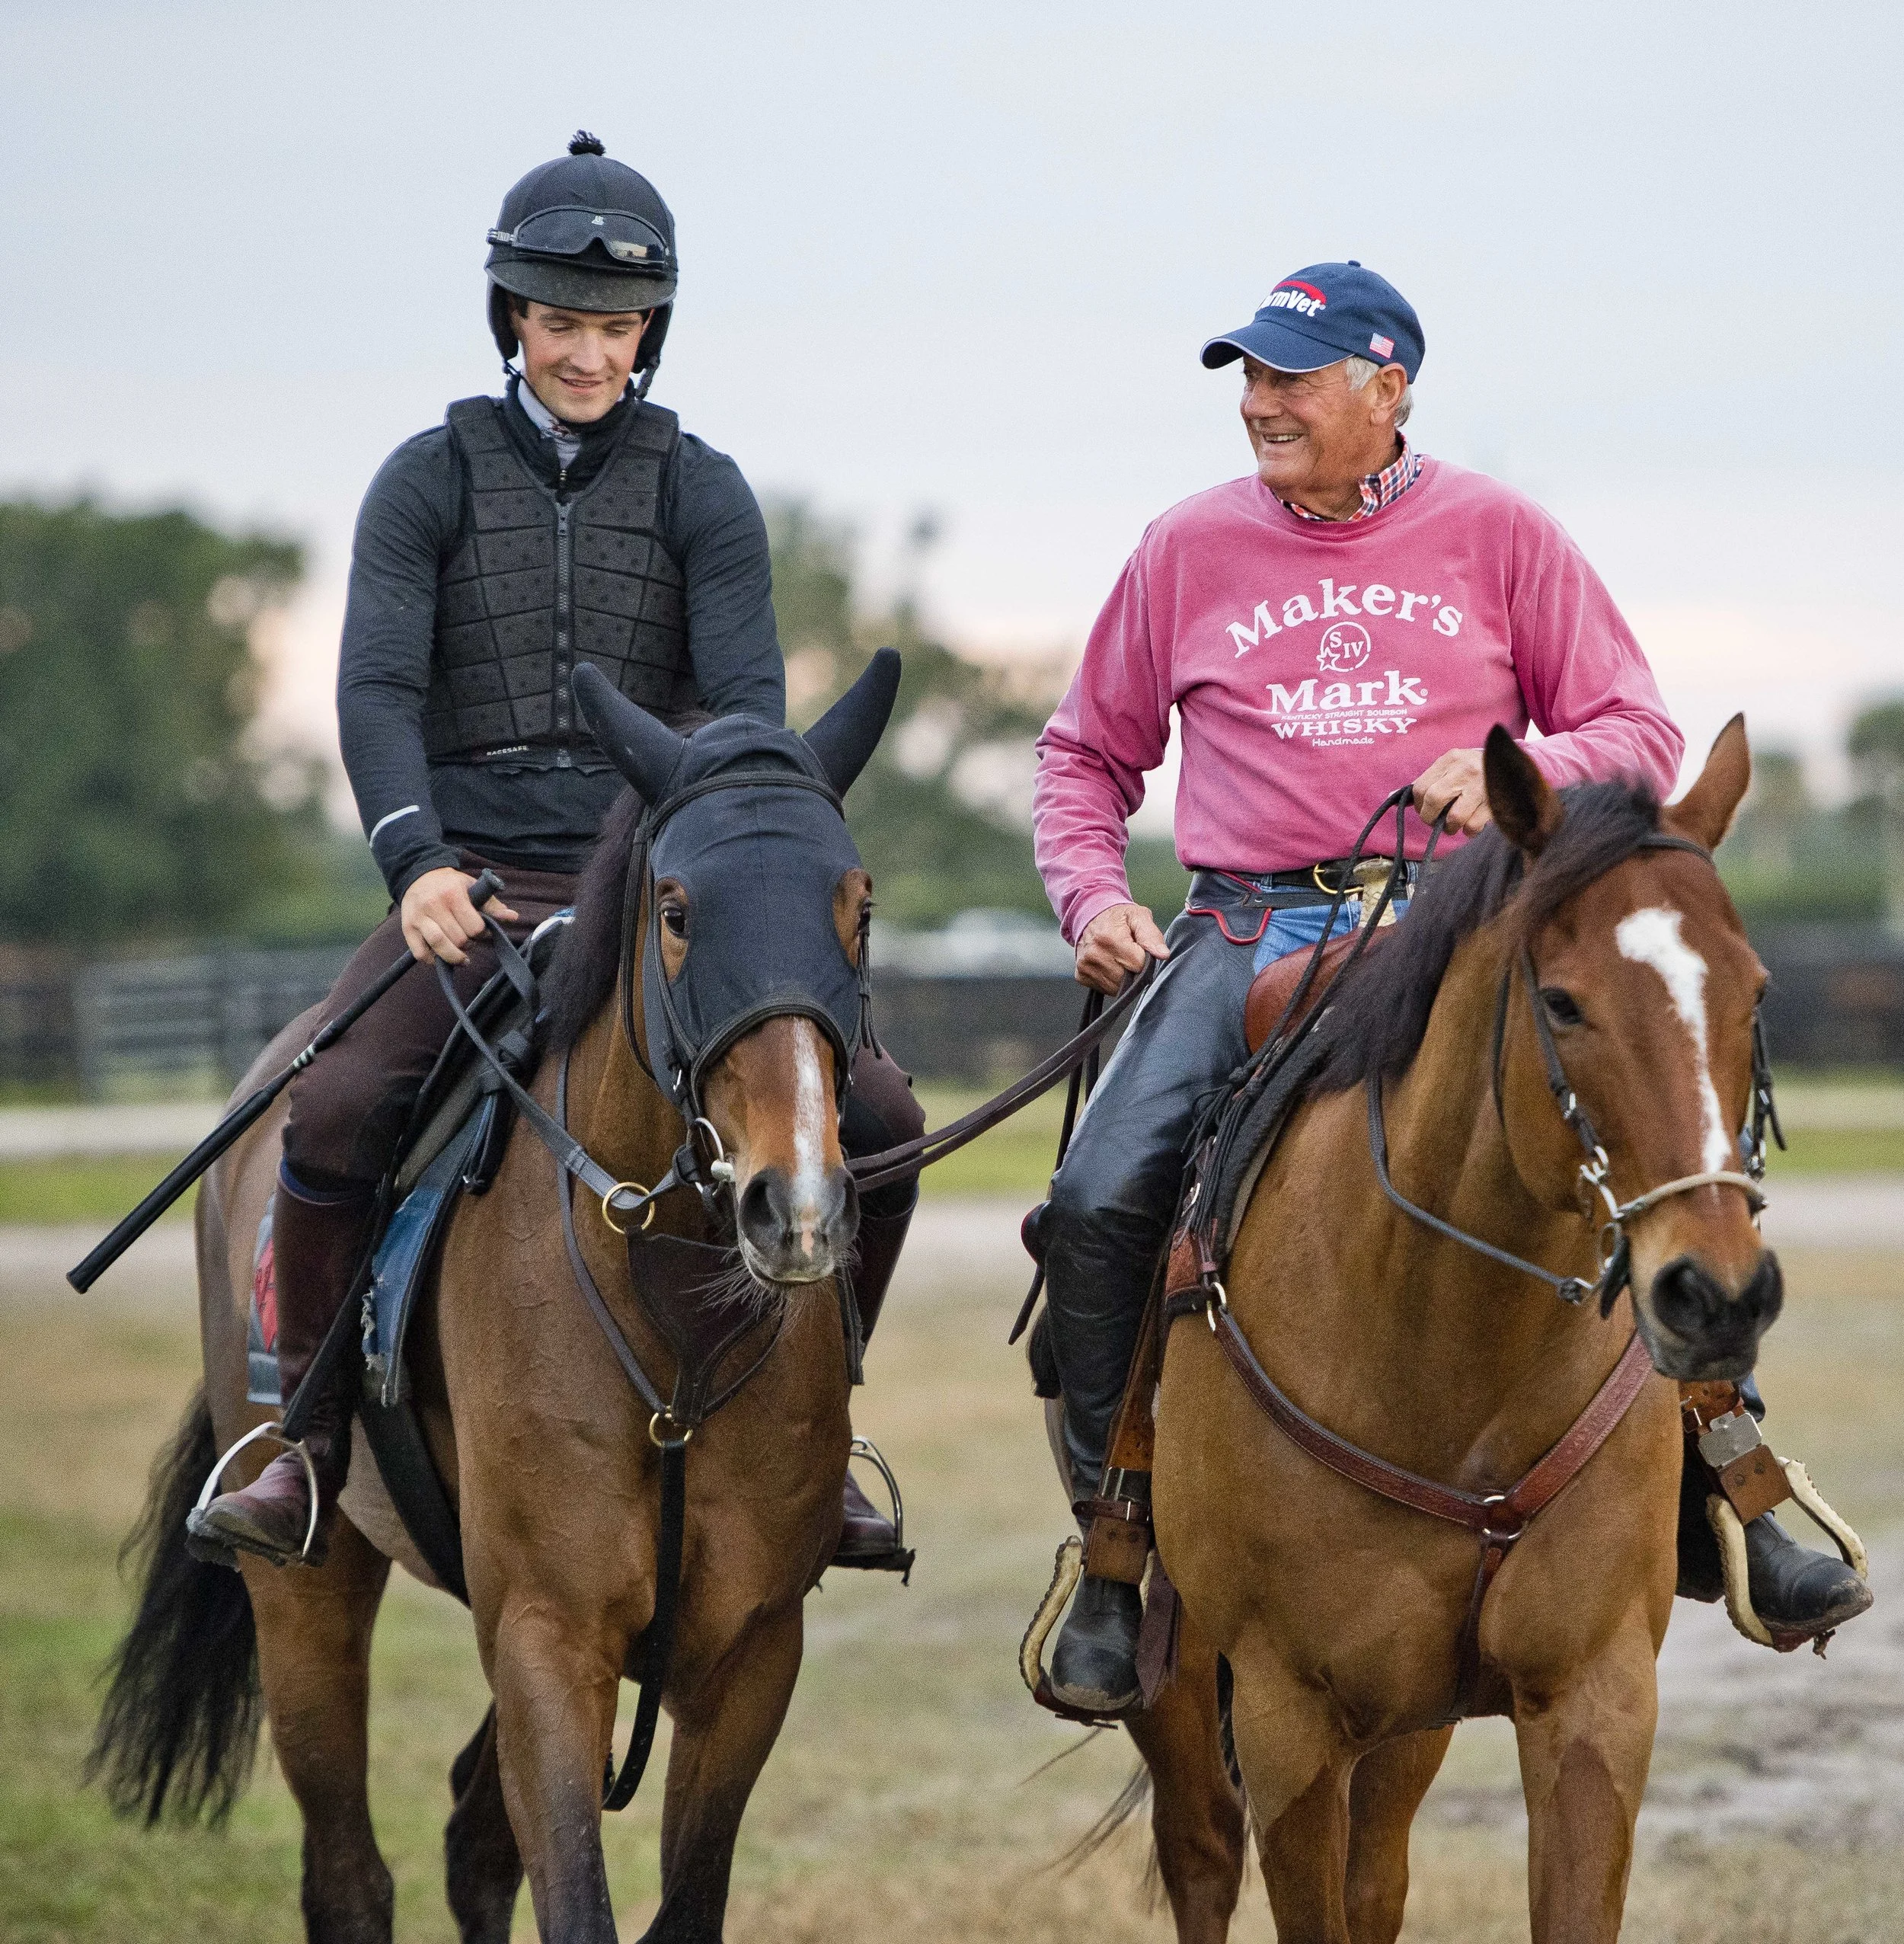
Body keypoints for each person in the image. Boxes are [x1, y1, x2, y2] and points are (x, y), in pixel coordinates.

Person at [1030, 261, 1871, 1712]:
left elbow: (1635, 726)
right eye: (1251, 377)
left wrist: (1523, 771)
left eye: (1292, 379)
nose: (1260, 403)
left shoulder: (1501, 532)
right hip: (1242, 930)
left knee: (1644, 1145)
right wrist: (1094, 897)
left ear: (1389, 387)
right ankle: (1118, 1550)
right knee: (1102, 1201)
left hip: (1459, 926)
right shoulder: (1184, 547)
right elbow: (1082, 758)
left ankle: (1732, 1474)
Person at [196, 133, 922, 1568]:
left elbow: (745, 719)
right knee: (336, 1105)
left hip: (654, 884)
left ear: (650, 332)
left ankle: (818, 1430)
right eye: (558, 322)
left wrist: (705, 876)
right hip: (469, 884)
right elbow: (376, 693)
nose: (587, 353)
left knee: (884, 1119)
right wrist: (416, 865)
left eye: (617, 326)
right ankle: (306, 1447)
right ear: (512, 318)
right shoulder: (427, 481)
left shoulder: (706, 492)